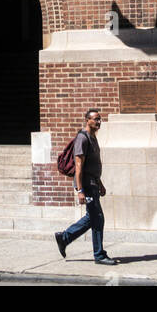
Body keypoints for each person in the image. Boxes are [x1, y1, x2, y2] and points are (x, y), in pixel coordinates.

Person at [54, 108, 117, 265]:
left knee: (93, 218)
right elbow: (79, 166)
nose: (98, 122)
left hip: (93, 183)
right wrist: (80, 190)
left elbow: (92, 165)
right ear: (87, 120)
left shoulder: (93, 137)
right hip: (87, 185)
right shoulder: (82, 138)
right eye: (95, 119)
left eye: (99, 119)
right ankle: (99, 255)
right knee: (97, 218)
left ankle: (64, 237)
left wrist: (100, 183)